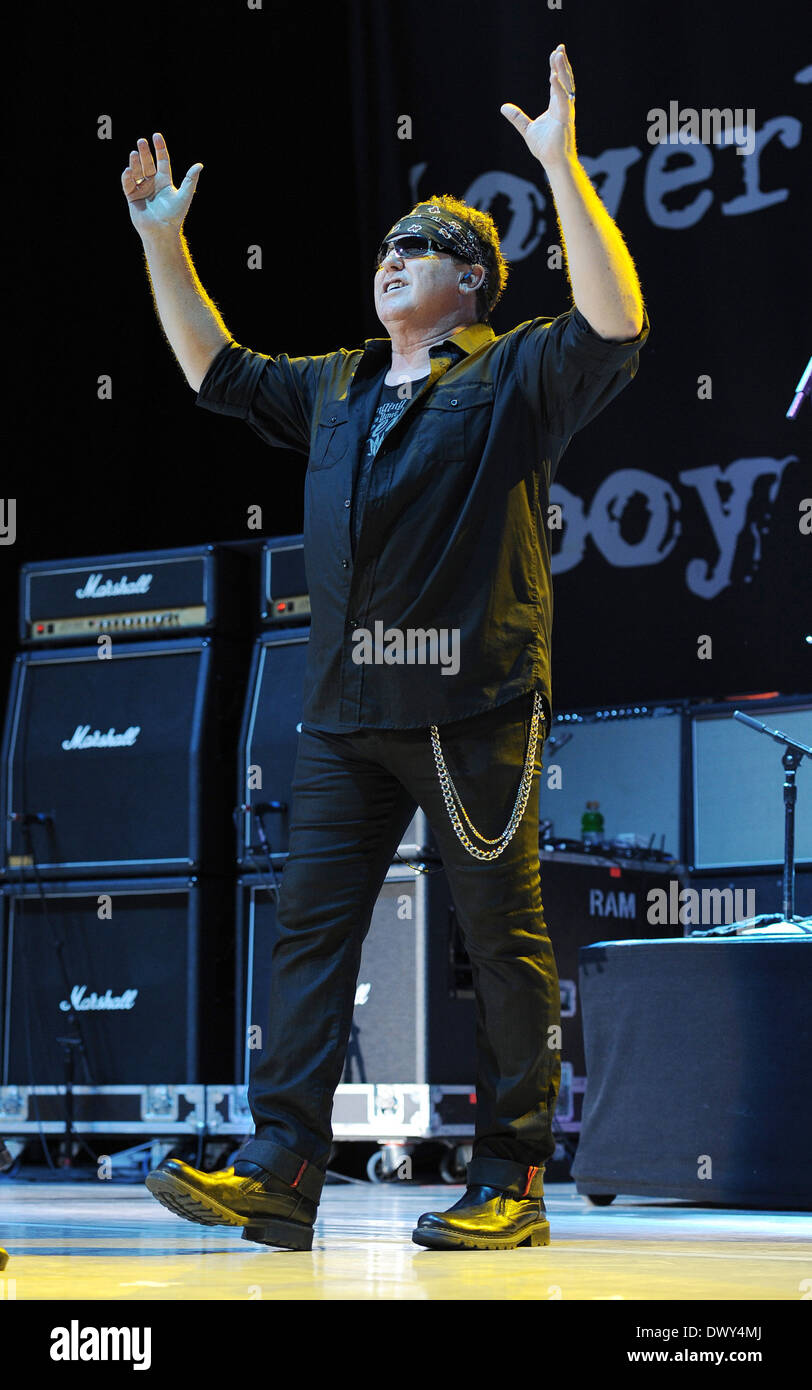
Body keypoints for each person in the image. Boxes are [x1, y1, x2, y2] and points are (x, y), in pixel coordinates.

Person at [125, 43, 647, 1252]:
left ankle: (510, 1174)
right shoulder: (338, 386)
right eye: (381, 249)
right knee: (308, 928)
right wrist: (163, 239)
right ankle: (281, 1167)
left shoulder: (513, 371)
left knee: (500, 934)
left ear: (469, 280)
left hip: (472, 703)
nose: (387, 263)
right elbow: (213, 366)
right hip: (348, 715)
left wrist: (562, 169)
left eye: (412, 248)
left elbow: (612, 320)